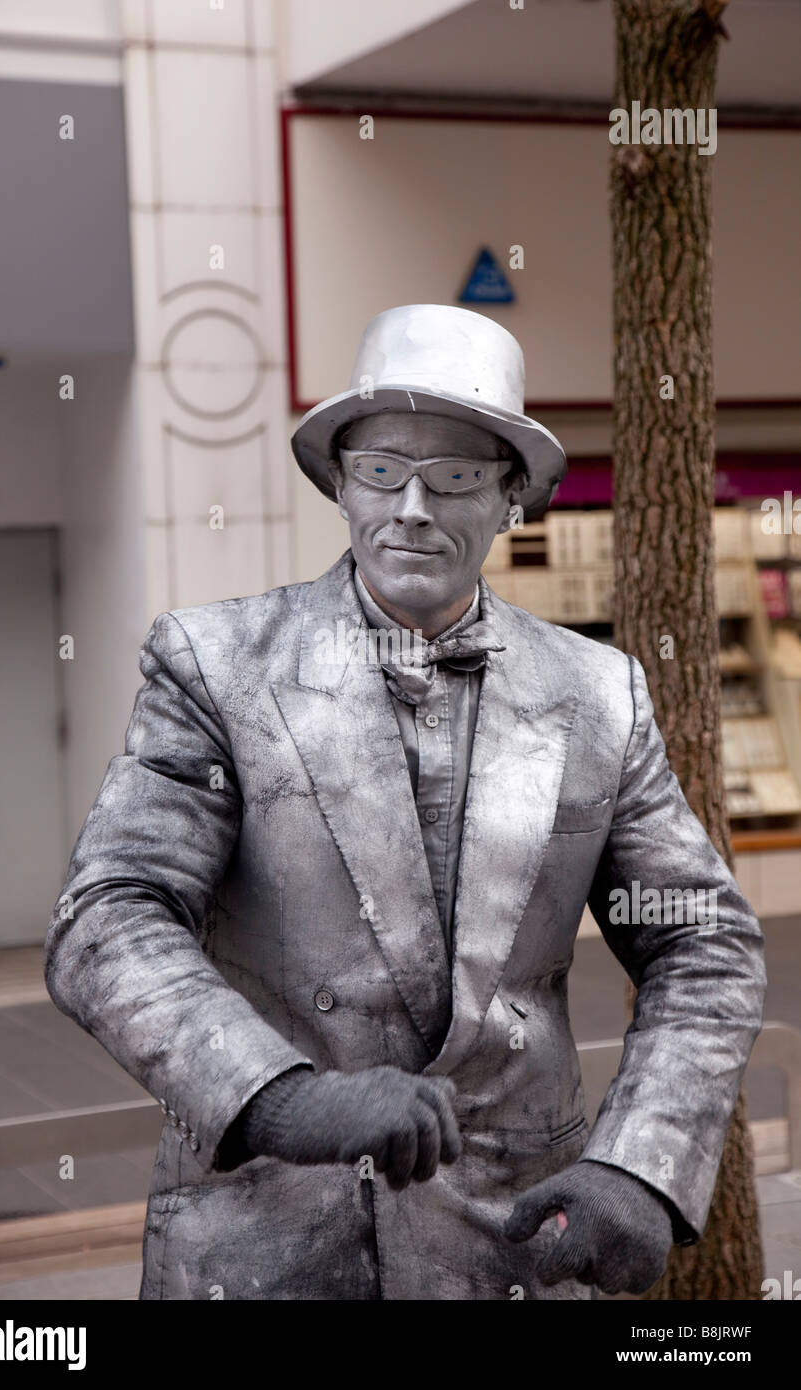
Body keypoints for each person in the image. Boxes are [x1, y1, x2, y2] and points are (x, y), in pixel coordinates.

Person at [45, 303, 766, 1300]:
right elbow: (108, 916)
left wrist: (639, 1163)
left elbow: (701, 941)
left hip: (510, 1243)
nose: (413, 506)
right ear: (339, 482)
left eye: (457, 476)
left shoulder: (601, 695)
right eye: (382, 469)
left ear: (512, 496)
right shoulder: (213, 667)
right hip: (263, 1241)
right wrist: (281, 1097)